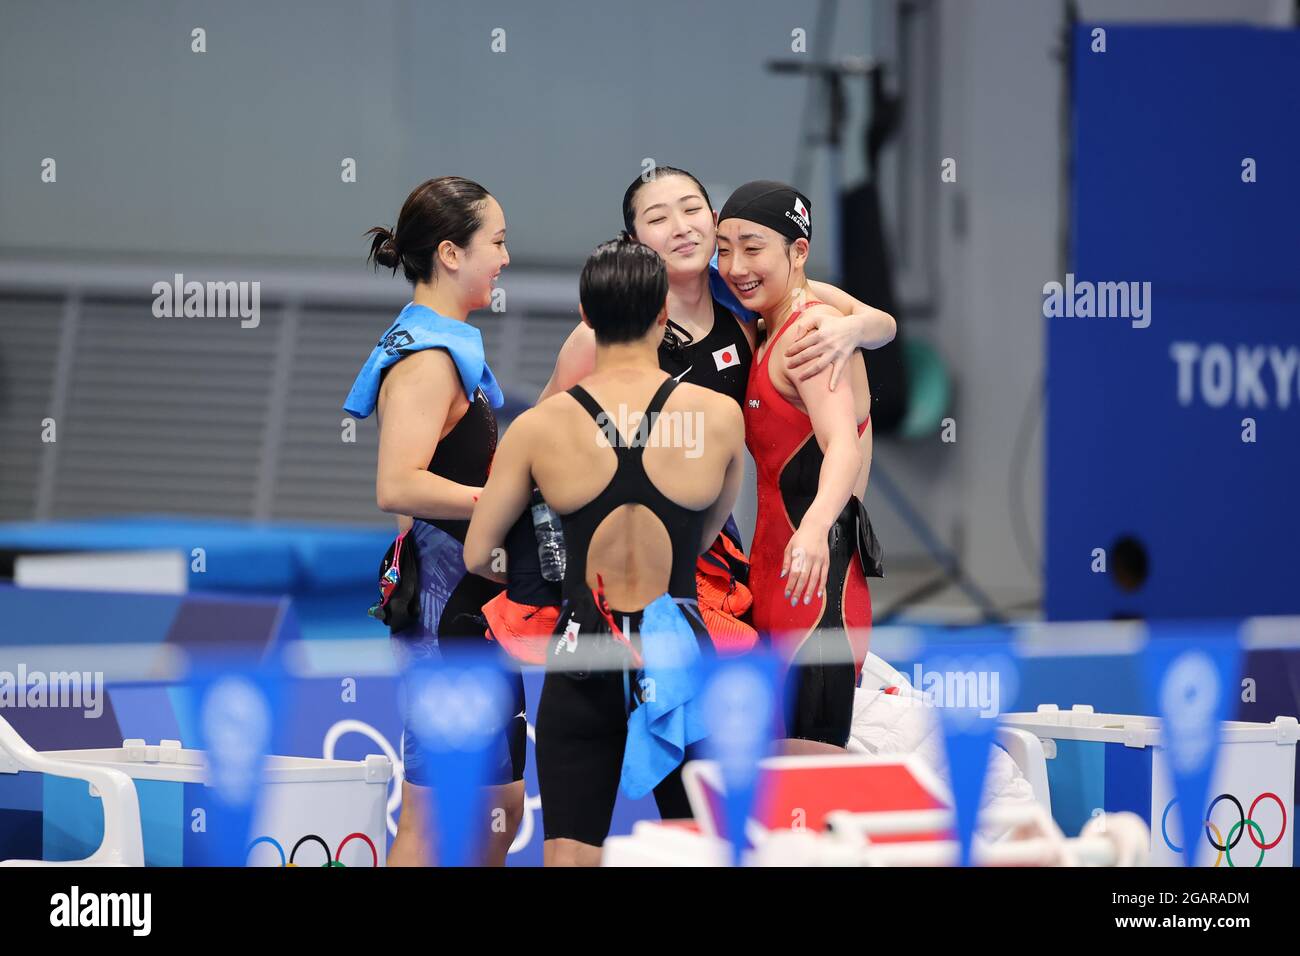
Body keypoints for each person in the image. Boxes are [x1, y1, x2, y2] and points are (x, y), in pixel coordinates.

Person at [465, 236, 745, 866]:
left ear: (585, 317)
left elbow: (480, 553)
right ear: (663, 316)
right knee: (704, 849)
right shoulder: (720, 416)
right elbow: (708, 536)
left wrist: (548, 570)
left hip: (581, 651)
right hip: (678, 653)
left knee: (569, 854)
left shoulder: (539, 427)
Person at [533, 166, 894, 652]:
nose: (681, 227)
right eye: (658, 218)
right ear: (634, 241)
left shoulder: (744, 301)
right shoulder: (604, 334)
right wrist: (545, 555)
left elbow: (877, 321)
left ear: (714, 219)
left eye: (691, 210)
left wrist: (852, 331)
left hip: (710, 541)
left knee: (732, 673)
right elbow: (538, 438)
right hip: (617, 545)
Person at [343, 175, 523, 866]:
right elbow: (396, 485)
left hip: (476, 606)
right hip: (446, 617)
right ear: (451, 253)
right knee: (432, 815)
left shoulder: (444, 346)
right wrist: (502, 503)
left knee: (498, 808)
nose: (505, 258)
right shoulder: (425, 359)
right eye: (496, 242)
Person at [716, 180, 874, 754]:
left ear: (798, 251)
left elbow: (842, 446)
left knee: (809, 782)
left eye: (752, 248)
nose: (736, 266)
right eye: (724, 249)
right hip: (772, 577)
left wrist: (813, 529)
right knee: (773, 786)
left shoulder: (811, 332)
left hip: (816, 584)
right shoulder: (767, 326)